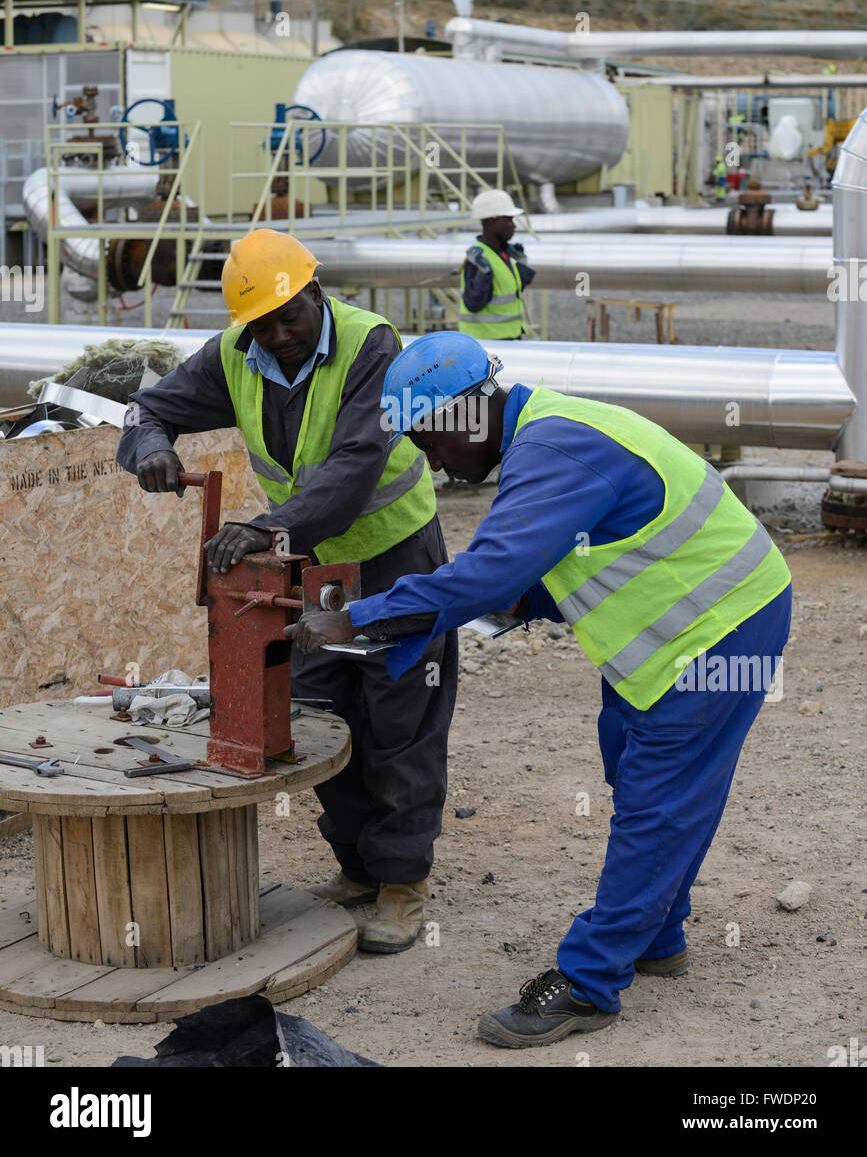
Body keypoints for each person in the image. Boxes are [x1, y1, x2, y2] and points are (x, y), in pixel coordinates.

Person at [292, 332, 793, 1046]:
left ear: (464, 414)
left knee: (657, 800)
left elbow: (489, 572)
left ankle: (589, 984)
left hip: (717, 630)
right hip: (674, 628)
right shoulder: (548, 432)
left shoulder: (552, 450)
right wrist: (516, 598)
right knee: (638, 771)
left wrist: (356, 617)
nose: (432, 463)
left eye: (429, 443)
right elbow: (583, 548)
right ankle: (657, 935)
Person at [116, 229, 458, 954]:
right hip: (311, 567)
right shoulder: (239, 354)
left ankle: (401, 883)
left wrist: (267, 526)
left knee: (400, 718)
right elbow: (148, 407)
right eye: (262, 325)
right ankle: (359, 868)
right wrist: (150, 444)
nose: (279, 335)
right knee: (317, 715)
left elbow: (357, 462)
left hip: (396, 560)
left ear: (315, 291)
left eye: (289, 317)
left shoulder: (372, 347)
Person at [459, 188, 534, 339]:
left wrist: (521, 264)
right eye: (508, 219)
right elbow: (473, 303)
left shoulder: (501, 254)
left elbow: (514, 292)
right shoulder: (479, 259)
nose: (514, 225)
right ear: (492, 221)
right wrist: (483, 275)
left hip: (508, 338)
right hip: (487, 344)